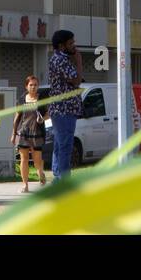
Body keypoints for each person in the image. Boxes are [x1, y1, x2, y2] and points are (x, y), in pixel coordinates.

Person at [46, 29, 84, 179]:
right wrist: (79, 61)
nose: (74, 46)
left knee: (59, 145)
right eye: (71, 43)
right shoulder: (61, 60)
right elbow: (76, 80)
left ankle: (58, 180)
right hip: (64, 109)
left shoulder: (59, 59)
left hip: (61, 109)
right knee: (65, 146)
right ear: (62, 46)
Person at [10, 75, 47, 193]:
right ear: (26, 86)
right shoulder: (22, 99)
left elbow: (48, 113)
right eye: (31, 85)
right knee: (24, 159)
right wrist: (13, 133)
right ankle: (25, 185)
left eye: (35, 85)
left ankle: (41, 173)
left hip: (37, 132)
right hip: (23, 132)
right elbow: (17, 116)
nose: (33, 87)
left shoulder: (42, 98)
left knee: (37, 161)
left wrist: (43, 119)